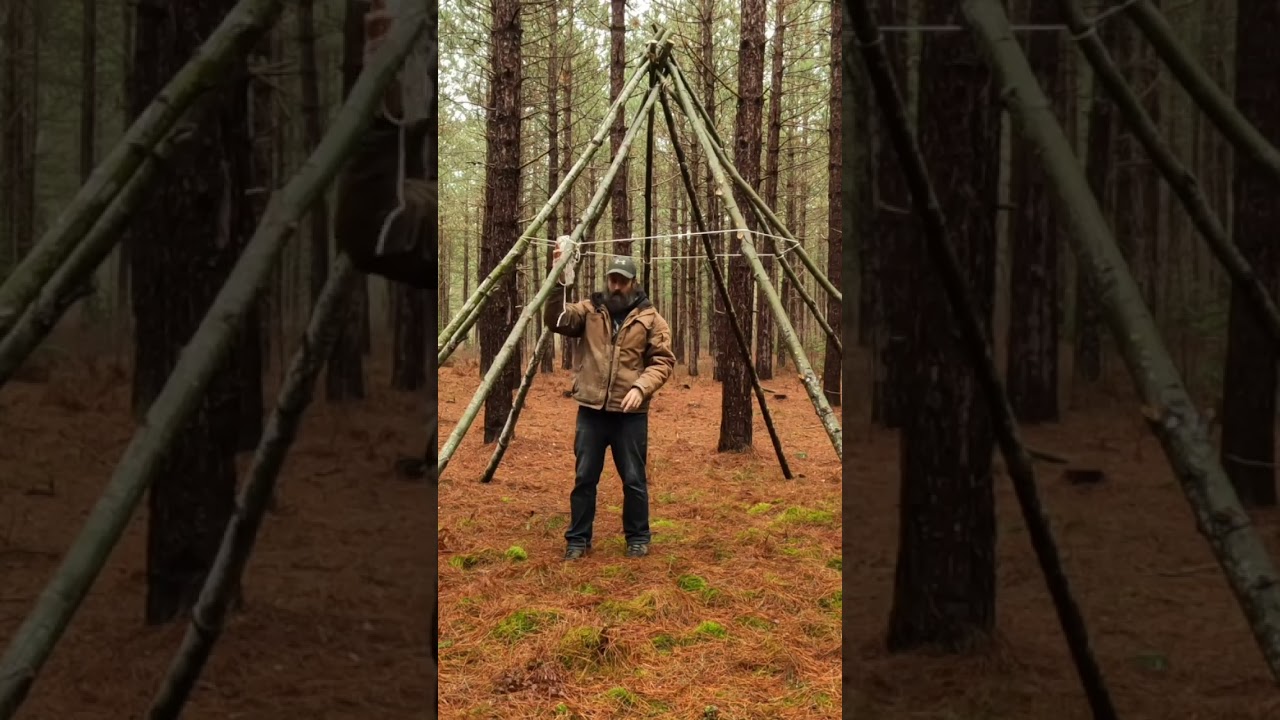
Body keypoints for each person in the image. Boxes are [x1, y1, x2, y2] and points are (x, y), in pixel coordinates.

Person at [544, 249, 676, 560]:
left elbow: (662, 362)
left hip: (629, 415)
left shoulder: (652, 320)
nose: (616, 286)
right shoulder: (590, 310)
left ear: (633, 283)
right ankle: (577, 540)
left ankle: (638, 538)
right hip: (591, 410)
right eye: (612, 279)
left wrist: (641, 388)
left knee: (634, 479)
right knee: (584, 478)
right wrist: (559, 279)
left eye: (622, 281)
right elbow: (556, 320)